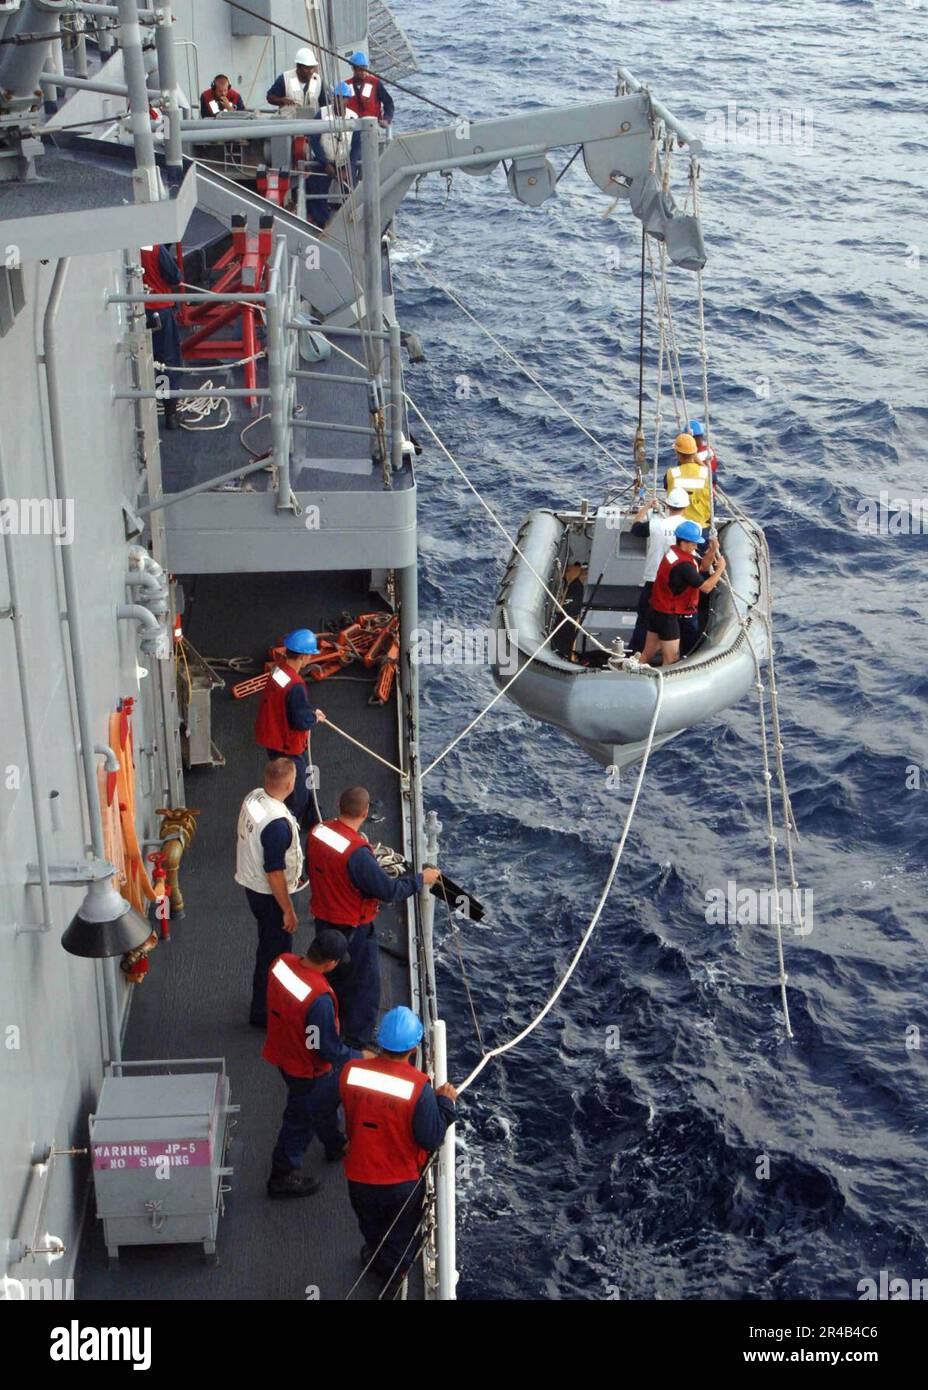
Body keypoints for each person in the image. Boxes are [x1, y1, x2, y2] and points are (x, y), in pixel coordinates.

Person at [307, 786, 440, 1046]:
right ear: (366, 813)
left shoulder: (318, 832)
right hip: (352, 930)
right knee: (364, 988)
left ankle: (333, 1021)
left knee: (333, 978)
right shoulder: (357, 853)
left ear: (339, 806)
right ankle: (357, 1042)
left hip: (324, 921)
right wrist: (421, 879)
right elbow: (389, 890)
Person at [340, 1007, 456, 1288]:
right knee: (400, 1235)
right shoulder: (418, 1087)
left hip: (359, 1174)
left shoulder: (351, 1071)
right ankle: (394, 1282)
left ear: (380, 1042)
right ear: (414, 1048)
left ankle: (374, 1255)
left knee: (370, 1225)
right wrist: (446, 1103)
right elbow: (431, 1137)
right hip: (399, 1183)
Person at [263, 931, 364, 1197]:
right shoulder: (318, 999)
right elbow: (321, 1047)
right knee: (301, 1119)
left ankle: (334, 1144)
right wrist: (355, 1056)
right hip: (306, 1069)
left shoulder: (281, 963)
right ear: (331, 963)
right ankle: (281, 1175)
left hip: (281, 1051)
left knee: (324, 1104)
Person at [235, 758, 308, 1028]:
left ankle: (265, 1005)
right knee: (274, 953)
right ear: (290, 784)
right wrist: (288, 910)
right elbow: (274, 871)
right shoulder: (277, 824)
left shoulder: (254, 798)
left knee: (267, 946)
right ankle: (265, 1012)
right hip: (269, 896)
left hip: (252, 885)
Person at [254, 629, 326, 826]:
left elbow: (285, 702)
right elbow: (300, 720)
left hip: (273, 737)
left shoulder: (278, 671)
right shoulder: (296, 685)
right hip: (287, 744)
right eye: (310, 655)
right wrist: (314, 718)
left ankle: (305, 812)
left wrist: (308, 711)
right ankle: (292, 821)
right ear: (303, 656)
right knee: (298, 790)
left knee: (303, 774)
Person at [639, 520, 726, 668]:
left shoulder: (674, 553)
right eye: (693, 543)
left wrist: (712, 551)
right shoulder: (684, 565)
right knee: (671, 660)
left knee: (647, 653)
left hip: (656, 612)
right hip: (667, 617)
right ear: (684, 543)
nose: (696, 547)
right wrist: (720, 569)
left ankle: (634, 677)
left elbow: (702, 567)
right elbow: (706, 587)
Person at [629, 486, 690, 653]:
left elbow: (635, 528)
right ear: (686, 507)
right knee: (679, 618)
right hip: (682, 582)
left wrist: (647, 506)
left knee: (644, 619)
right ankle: (680, 655)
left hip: (654, 580)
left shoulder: (656, 524)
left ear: (668, 506)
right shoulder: (692, 527)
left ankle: (635, 652)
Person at [140, 244, 182, 431]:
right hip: (160, 311)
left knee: (147, 359)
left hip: (138, 311)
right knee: (166, 363)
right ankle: (170, 413)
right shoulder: (152, 247)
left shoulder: (124, 246)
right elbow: (174, 276)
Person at [310, 82, 361, 225]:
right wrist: (325, 163)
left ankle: (350, 222)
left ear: (348, 99)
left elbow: (356, 146)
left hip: (344, 163)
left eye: (343, 97)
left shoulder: (353, 118)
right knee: (316, 192)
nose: (339, 100)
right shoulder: (322, 114)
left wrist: (348, 169)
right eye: (337, 97)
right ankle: (322, 223)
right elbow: (314, 141)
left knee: (352, 193)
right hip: (322, 162)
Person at [664, 432, 712, 536]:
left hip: (677, 529)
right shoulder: (706, 474)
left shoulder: (671, 473)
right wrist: (696, 458)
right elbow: (712, 477)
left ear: (677, 453)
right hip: (701, 529)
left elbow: (667, 486)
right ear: (694, 453)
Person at [345, 50, 394, 126]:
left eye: (365, 68)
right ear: (353, 69)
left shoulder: (376, 83)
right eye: (360, 69)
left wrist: (386, 119)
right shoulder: (346, 86)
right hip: (352, 129)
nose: (364, 72)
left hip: (372, 128)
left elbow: (388, 102)